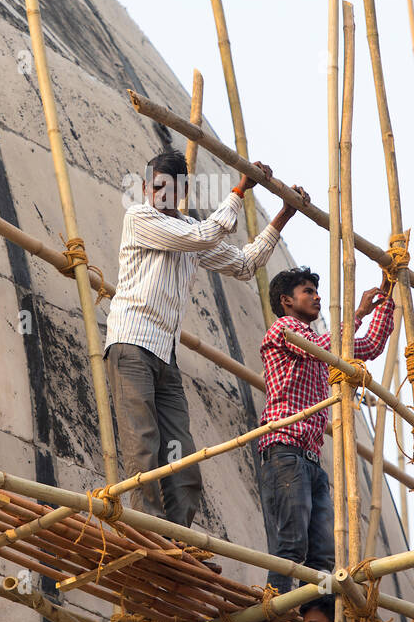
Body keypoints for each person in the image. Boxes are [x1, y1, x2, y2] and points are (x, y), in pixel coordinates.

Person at [104, 151, 303, 526]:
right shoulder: (141, 218)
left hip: (165, 356)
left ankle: (178, 538)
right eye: (155, 186)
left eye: (170, 189)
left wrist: (282, 217)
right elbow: (202, 235)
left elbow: (244, 265)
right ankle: (148, 530)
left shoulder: (188, 234)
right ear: (146, 188)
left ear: (181, 192)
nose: (160, 195)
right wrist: (240, 190)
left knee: (185, 460)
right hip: (132, 344)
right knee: (143, 445)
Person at [256, 267, 397, 594]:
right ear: (287, 301)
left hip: (309, 458)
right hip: (285, 450)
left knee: (321, 555)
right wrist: (359, 312)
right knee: (292, 543)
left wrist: (386, 294)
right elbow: (322, 346)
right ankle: (275, 607)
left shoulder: (319, 346)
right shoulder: (285, 329)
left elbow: (369, 346)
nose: (317, 296)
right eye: (308, 291)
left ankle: (313, 616)